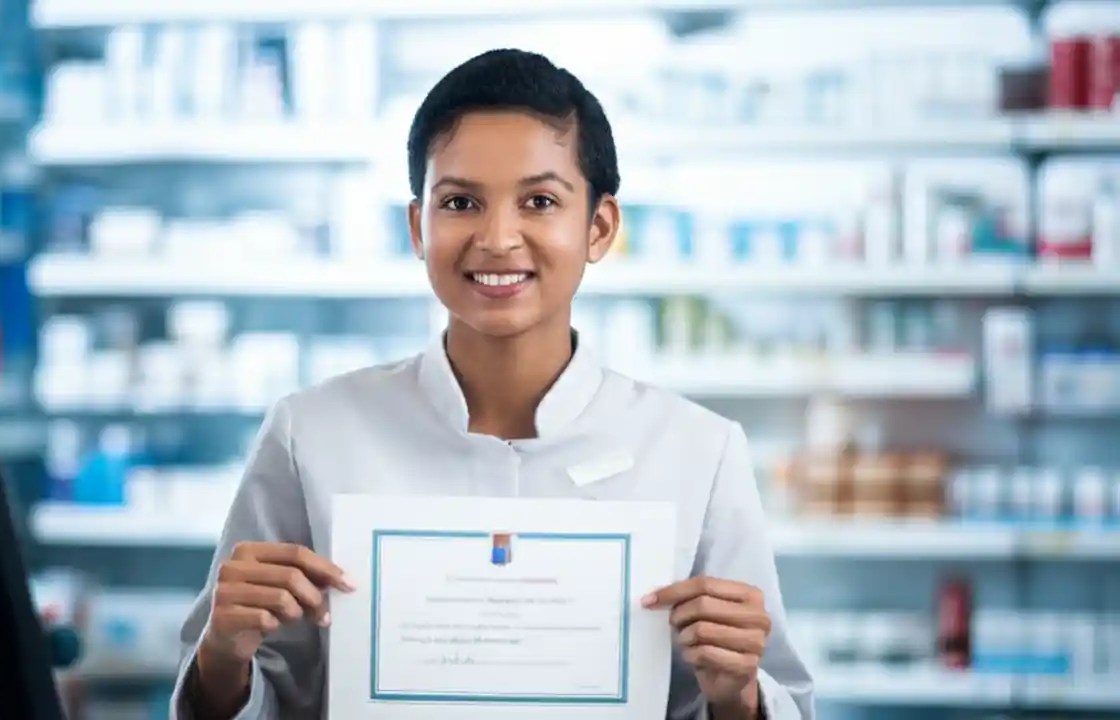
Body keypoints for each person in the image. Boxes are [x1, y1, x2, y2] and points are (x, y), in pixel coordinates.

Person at [170, 48, 815, 720]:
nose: (499, 238)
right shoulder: (312, 433)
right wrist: (223, 657)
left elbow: (778, 699)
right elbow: (253, 700)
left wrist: (739, 694)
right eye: (461, 202)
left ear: (599, 227)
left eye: (539, 201)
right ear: (420, 227)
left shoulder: (697, 451)